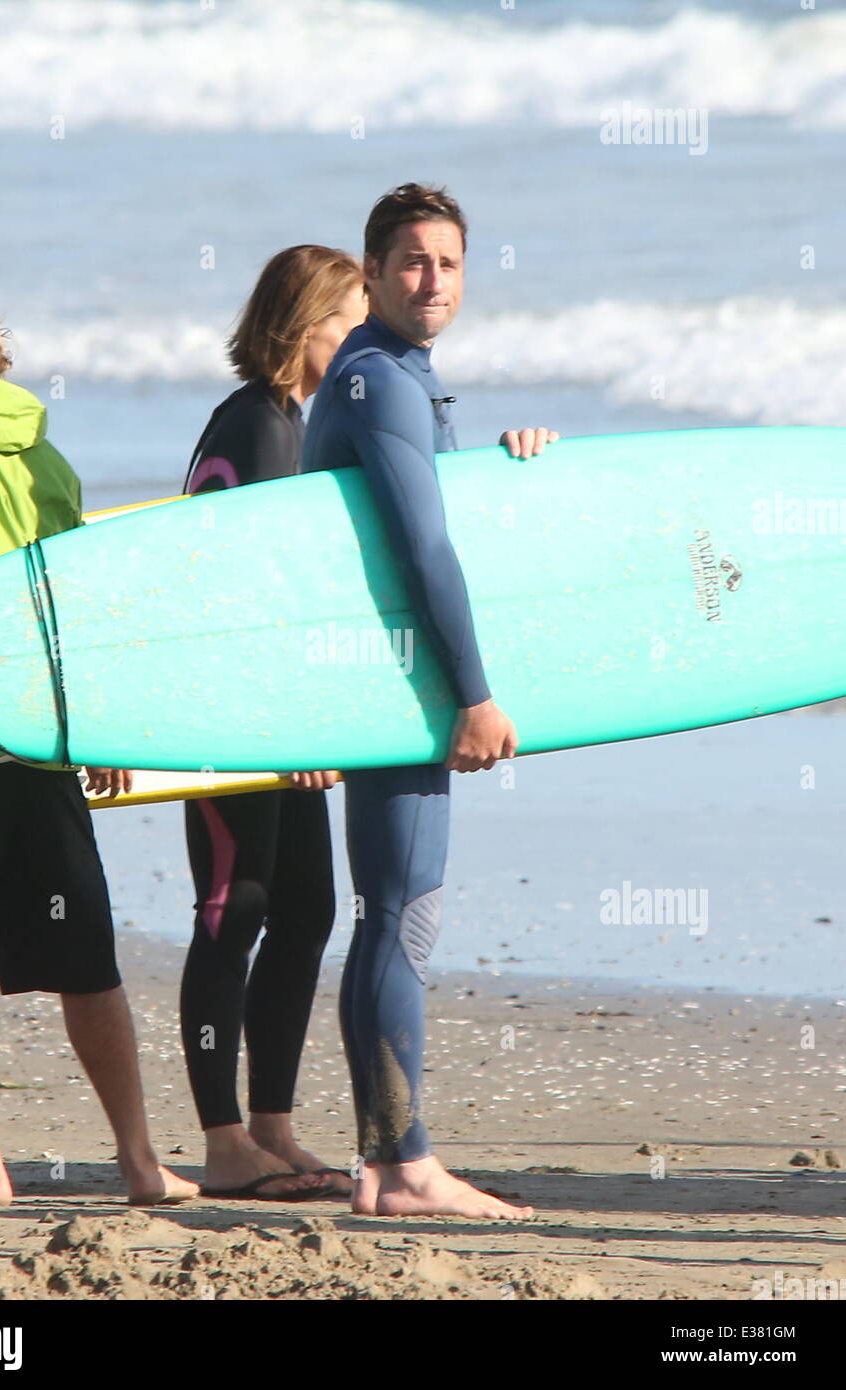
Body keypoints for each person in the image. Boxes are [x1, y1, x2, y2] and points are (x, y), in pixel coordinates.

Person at [0, 238, 198, 1207]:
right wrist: (91, 726)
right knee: (80, 951)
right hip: (31, 727)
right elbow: (68, 600)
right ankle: (141, 1161)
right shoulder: (35, 440)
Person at [302, 184, 558, 1218]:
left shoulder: (393, 376)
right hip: (404, 687)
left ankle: (384, 1164)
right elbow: (421, 549)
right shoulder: (380, 379)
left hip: (388, 678)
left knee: (389, 916)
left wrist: (512, 469)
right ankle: (404, 1167)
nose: (432, 279)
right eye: (411, 260)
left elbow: (441, 519)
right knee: (400, 918)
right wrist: (477, 696)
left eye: (448, 262)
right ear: (369, 272)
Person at [181, 245, 366, 1200]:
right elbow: (241, 599)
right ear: (300, 327)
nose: (360, 338)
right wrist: (282, 724)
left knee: (305, 912)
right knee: (232, 913)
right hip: (233, 723)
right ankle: (221, 1144)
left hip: (281, 718)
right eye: (347, 320)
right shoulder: (255, 425)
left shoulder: (291, 423)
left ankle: (272, 1126)